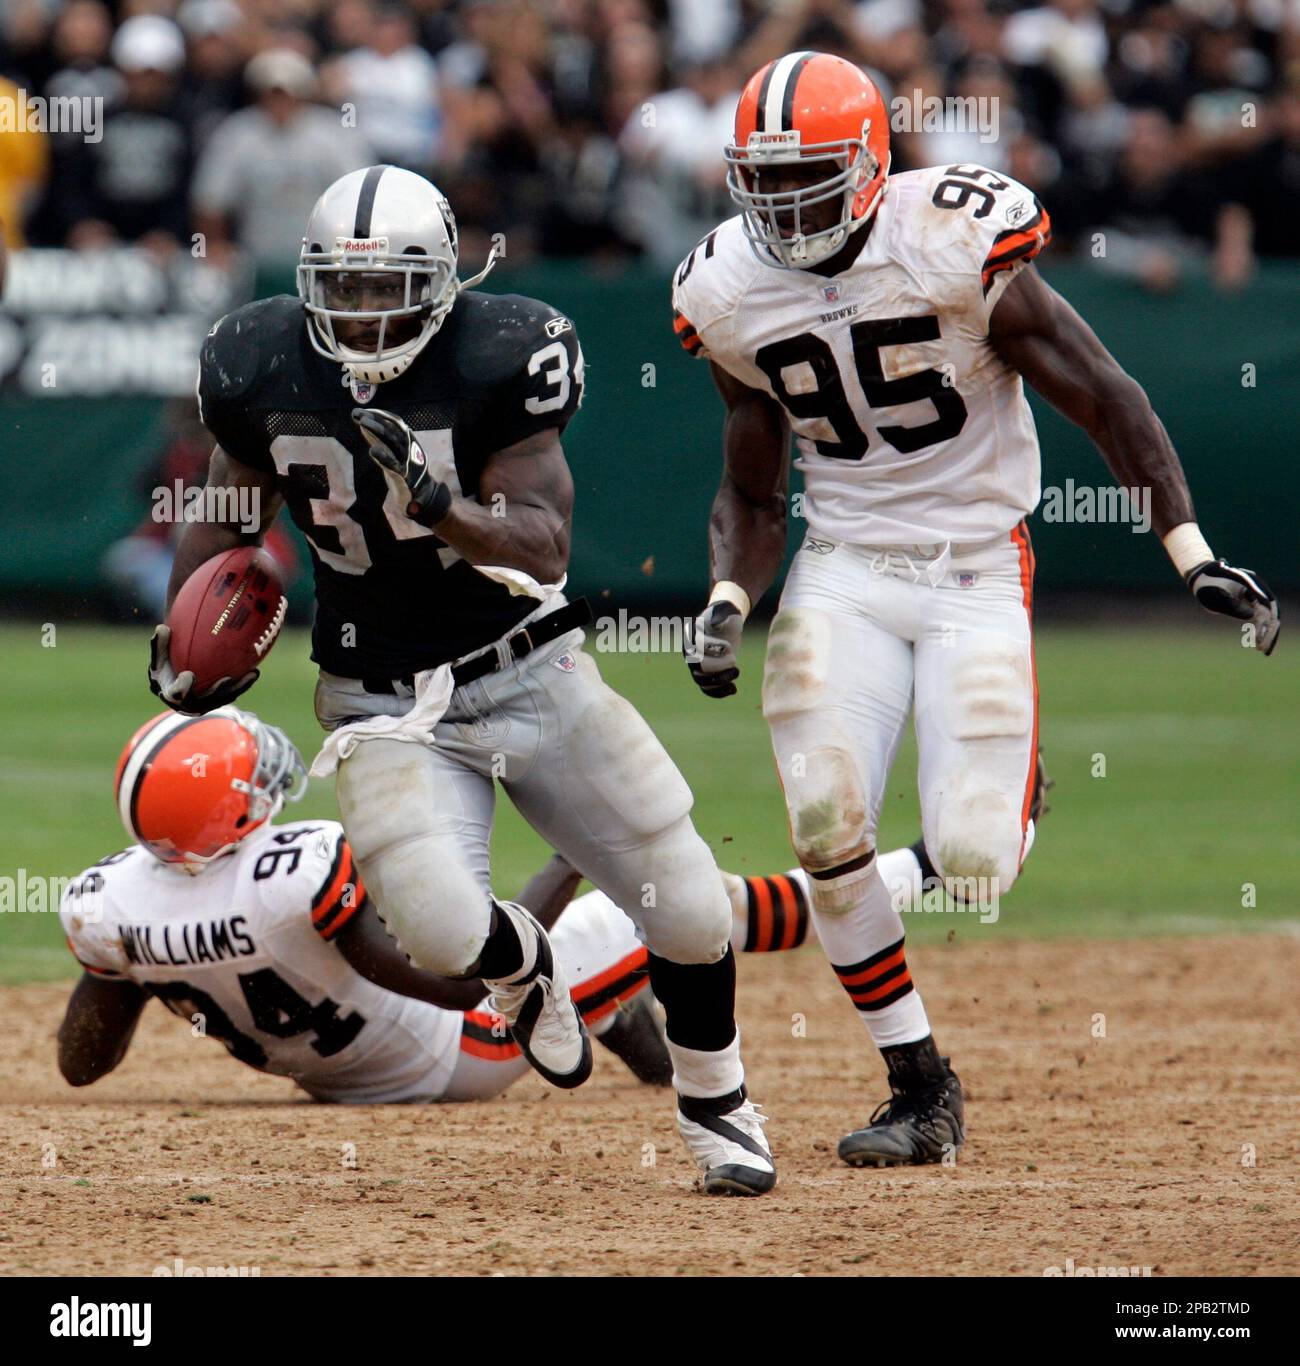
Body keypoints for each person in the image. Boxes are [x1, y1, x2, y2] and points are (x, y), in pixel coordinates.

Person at [673, 51, 1279, 1169]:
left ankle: (1014, 801)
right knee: (824, 828)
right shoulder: (724, 289)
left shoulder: (950, 233)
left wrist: (1187, 547)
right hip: (843, 564)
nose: (779, 203)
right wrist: (724, 596)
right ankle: (920, 1086)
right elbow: (753, 486)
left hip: (972, 567)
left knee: (975, 854)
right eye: (761, 179)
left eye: (804, 175)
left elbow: (1104, 392)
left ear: (866, 166)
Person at [146, 164, 776, 1195]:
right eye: (337, 288)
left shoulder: (503, 350)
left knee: (689, 906)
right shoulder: (256, 359)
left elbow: (540, 542)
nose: (357, 313)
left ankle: (719, 1105)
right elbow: (227, 515)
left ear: (442, 281)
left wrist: (437, 501)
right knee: (441, 931)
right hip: (380, 692)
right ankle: (524, 963)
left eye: (382, 287)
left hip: (528, 663)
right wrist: (190, 636)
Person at [57, 708, 672, 1103]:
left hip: (339, 1077)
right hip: (464, 1047)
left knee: (569, 963)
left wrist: (146, 958)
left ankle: (610, 1018)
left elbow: (81, 1064)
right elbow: (465, 984)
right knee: (676, 898)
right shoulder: (295, 869)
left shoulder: (111, 903)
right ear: (225, 809)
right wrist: (571, 855)